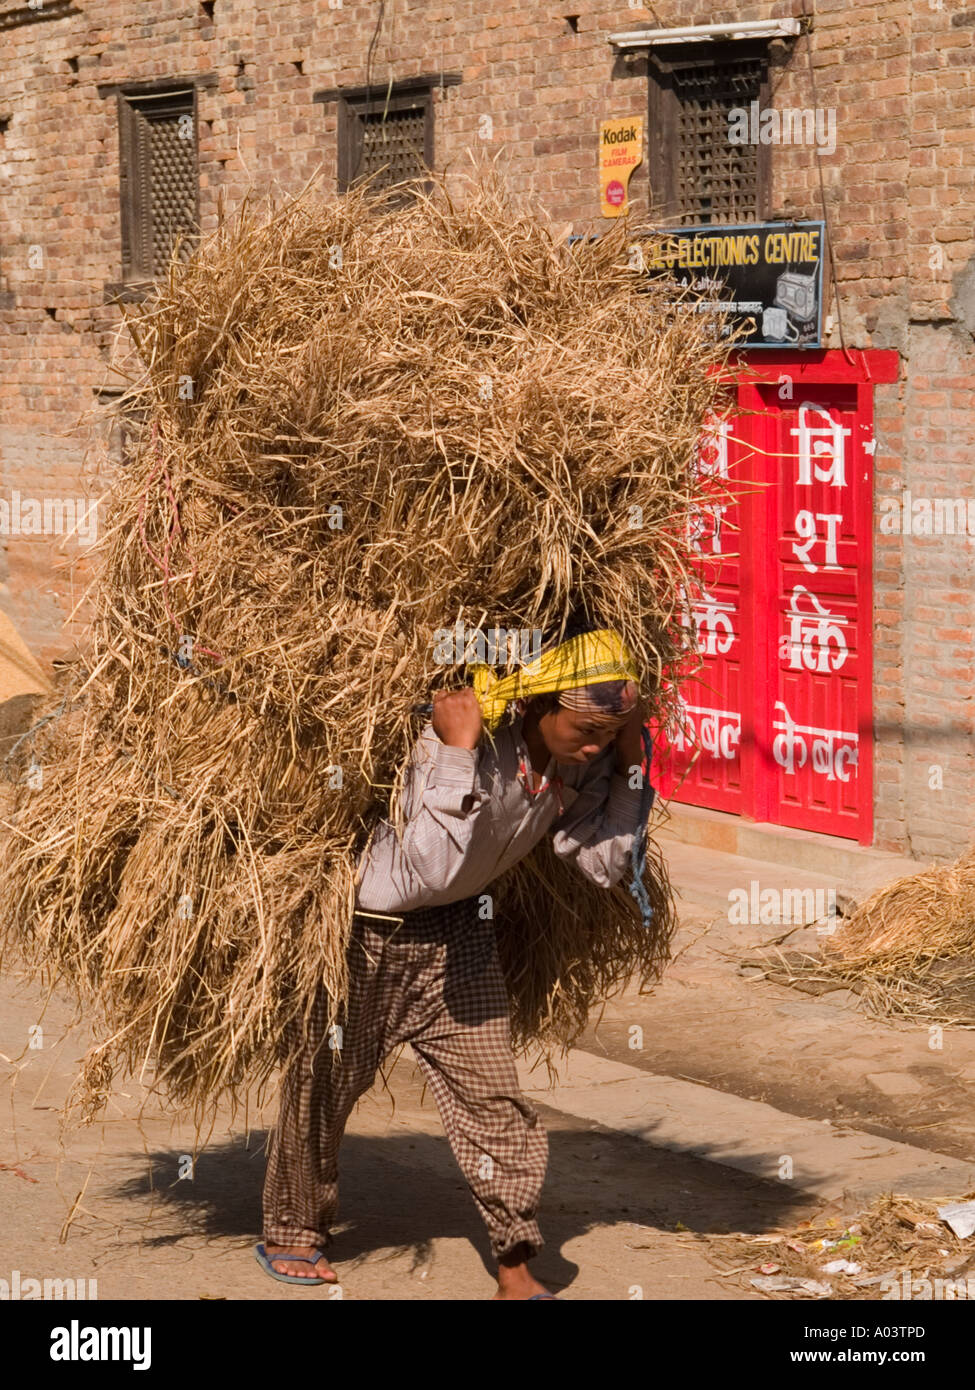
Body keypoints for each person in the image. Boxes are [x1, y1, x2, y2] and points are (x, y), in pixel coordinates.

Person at [255, 625, 652, 1299]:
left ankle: (513, 1264)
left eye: (606, 735)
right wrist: (458, 751)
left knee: (493, 1099)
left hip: (463, 934)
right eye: (585, 728)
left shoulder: (578, 766)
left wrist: (632, 761)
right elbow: (422, 868)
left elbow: (604, 862)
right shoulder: (452, 742)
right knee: (323, 1085)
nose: (593, 746)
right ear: (536, 706)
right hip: (366, 935)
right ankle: (292, 1229)